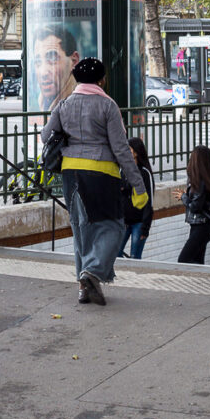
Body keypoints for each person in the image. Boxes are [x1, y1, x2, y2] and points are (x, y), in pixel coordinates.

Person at [40, 57, 147, 306]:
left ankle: (84, 287)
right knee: (112, 226)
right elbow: (121, 149)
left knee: (81, 229)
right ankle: (92, 272)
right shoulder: (107, 106)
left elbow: (45, 136)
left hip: (70, 174)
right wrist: (138, 186)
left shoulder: (63, 104)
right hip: (102, 175)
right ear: (101, 79)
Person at [176, 145, 210, 265]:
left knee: (184, 259)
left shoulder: (200, 182)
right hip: (202, 225)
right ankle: (199, 282)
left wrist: (183, 197)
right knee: (198, 261)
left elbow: (195, 207)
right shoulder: (203, 180)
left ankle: (195, 282)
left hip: (202, 226)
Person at [118, 137, 154, 260]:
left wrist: (145, 228)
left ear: (136, 152)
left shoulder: (144, 173)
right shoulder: (122, 170)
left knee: (135, 257)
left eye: (129, 149)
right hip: (123, 222)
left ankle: (134, 279)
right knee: (115, 253)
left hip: (139, 222)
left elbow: (149, 202)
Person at [33, 25, 79, 112]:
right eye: (38, 61)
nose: (43, 73)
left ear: (74, 61)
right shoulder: (41, 103)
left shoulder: (78, 103)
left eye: (53, 59)